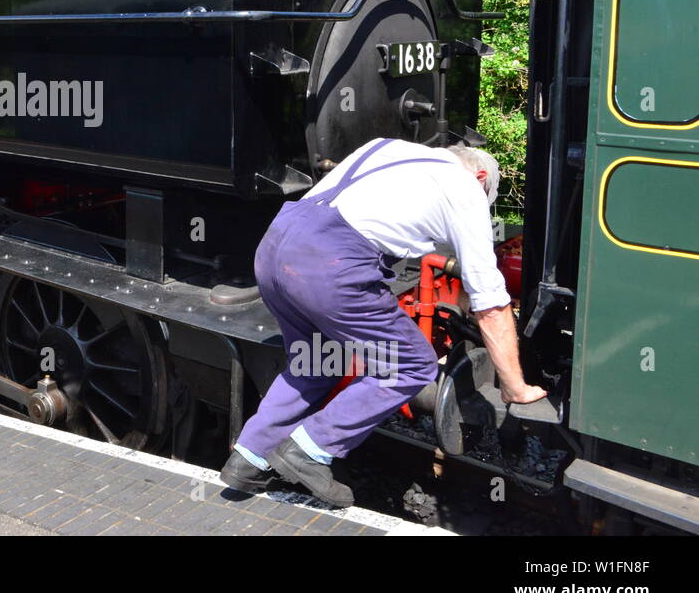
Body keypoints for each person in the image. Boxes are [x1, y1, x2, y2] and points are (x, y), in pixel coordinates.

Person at [220, 137, 547, 507]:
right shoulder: (465, 189)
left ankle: (248, 458)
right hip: (329, 265)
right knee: (411, 364)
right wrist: (514, 386)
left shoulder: (385, 146)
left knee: (315, 361)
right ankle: (310, 450)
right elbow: (491, 304)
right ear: (481, 176)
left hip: (276, 246)